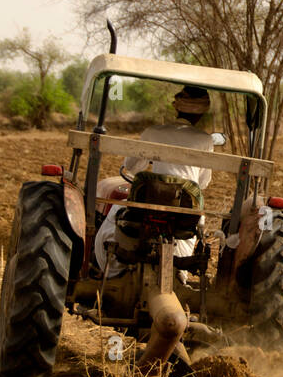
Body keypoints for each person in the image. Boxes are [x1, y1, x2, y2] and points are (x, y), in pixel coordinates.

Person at [93, 85, 216, 275]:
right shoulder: (205, 140)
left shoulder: (152, 132)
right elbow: (203, 183)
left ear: (176, 106)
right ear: (202, 113)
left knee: (116, 210)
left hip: (148, 204)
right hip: (185, 210)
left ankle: (111, 271)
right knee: (198, 223)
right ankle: (180, 274)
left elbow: (132, 167)